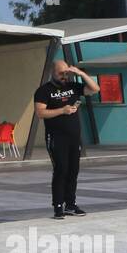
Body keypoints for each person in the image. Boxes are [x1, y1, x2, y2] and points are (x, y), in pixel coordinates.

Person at [33, 60, 99, 220]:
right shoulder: (44, 91)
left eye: (66, 73)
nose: (64, 76)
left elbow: (95, 89)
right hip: (56, 138)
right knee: (61, 170)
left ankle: (71, 204)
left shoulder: (73, 87)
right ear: (52, 73)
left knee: (73, 171)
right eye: (60, 73)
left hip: (74, 138)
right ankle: (58, 206)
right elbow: (40, 113)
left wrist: (81, 74)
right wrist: (63, 110)